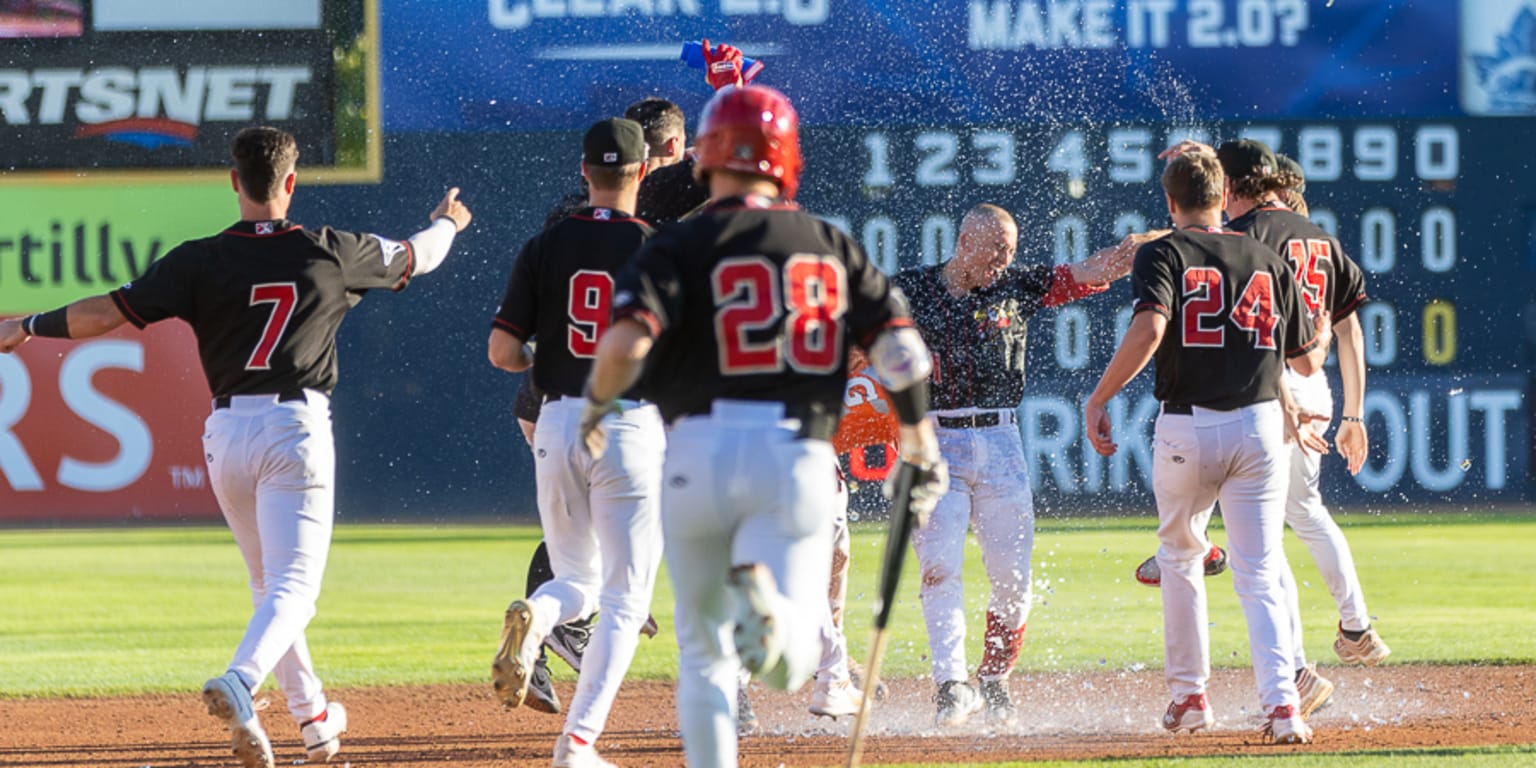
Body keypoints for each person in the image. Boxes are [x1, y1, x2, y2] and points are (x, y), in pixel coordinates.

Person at [0, 125, 471, 768]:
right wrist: (447, 221)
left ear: (233, 182)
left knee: (268, 586)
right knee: (295, 590)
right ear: (292, 182)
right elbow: (420, 255)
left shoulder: (199, 259)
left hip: (225, 434)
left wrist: (27, 325)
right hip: (295, 429)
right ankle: (241, 681)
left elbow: (105, 314)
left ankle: (313, 722)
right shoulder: (329, 251)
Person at [578, 84, 945, 768]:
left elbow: (624, 343)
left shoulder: (676, 243)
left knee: (703, 656)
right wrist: (920, 439)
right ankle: (774, 623)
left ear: (705, 157)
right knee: (794, 652)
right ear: (786, 160)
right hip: (794, 455)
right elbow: (902, 352)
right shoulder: (827, 243)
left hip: (696, 453)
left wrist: (597, 408)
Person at [1083, 149, 1330, 744]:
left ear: (1170, 202)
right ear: (1224, 196)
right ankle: (1283, 708)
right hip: (1259, 427)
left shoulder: (1162, 252)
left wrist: (1098, 398)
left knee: (1180, 560)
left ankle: (1191, 697)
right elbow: (1305, 358)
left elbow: (1150, 327)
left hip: (1187, 427)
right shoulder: (1268, 257)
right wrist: (1317, 328)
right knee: (1261, 570)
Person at [1148, 139, 1388, 717]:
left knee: (1263, 545)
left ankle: (1303, 667)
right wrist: (1353, 412)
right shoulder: (1321, 237)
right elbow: (1349, 329)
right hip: (1309, 383)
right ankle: (1345, 633)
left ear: (1227, 187)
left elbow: (1250, 323)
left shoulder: (1248, 236)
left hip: (1264, 385)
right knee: (1295, 517)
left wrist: (1282, 402)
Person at [892, 203, 1145, 728]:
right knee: (939, 566)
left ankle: (994, 676)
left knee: (1012, 577)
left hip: (1002, 440)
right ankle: (950, 684)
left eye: (1010, 250)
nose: (1003, 260)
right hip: (935, 435)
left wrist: (1176, 235)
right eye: (996, 249)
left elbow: (1095, 269)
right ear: (965, 241)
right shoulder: (908, 292)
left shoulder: (1017, 287)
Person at [487, 118, 667, 768]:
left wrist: (553, 349)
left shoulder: (546, 245)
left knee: (576, 579)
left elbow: (503, 351)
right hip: (627, 422)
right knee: (625, 597)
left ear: (585, 171)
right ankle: (578, 743)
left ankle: (538, 618)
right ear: (643, 172)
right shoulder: (656, 246)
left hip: (558, 420)